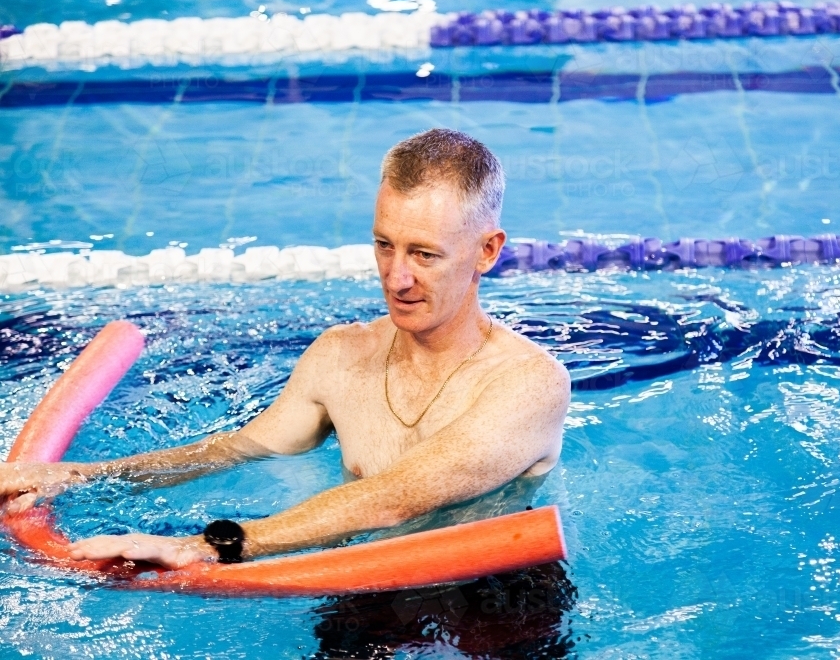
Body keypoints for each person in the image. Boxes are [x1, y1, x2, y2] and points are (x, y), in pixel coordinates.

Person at [0, 128, 570, 570]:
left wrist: (210, 545)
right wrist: (78, 476)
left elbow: (398, 497)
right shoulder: (341, 357)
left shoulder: (527, 383)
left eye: (424, 255)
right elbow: (233, 450)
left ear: (487, 251)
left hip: (493, 595)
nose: (395, 279)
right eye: (383, 245)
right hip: (362, 585)